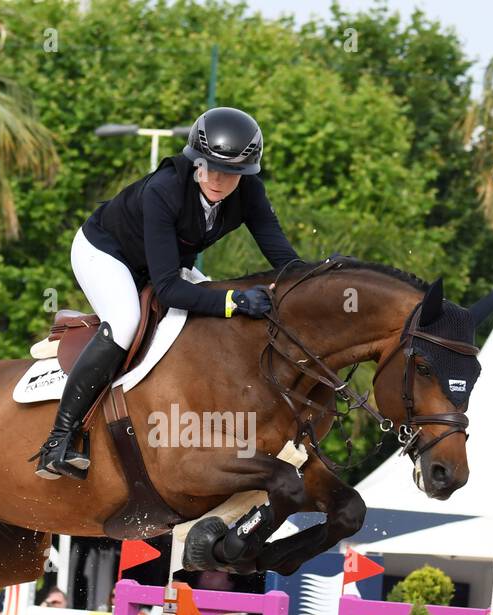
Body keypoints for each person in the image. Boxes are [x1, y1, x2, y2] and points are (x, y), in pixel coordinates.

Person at [32, 106, 303, 479]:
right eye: (210, 167)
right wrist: (236, 301)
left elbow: (284, 260)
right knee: (126, 322)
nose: (219, 179)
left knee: (208, 323)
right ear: (196, 161)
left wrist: (323, 279)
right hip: (106, 253)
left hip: (163, 263)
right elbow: (170, 290)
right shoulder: (164, 190)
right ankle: (58, 441)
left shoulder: (250, 193)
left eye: (233, 173)